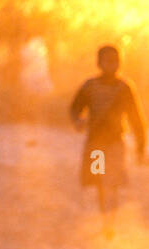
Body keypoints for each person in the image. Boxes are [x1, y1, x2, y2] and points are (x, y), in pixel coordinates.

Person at [69, 45, 146, 218]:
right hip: (96, 143)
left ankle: (110, 218)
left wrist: (140, 147)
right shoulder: (90, 86)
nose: (112, 64)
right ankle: (106, 216)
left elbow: (137, 120)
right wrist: (78, 121)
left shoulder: (125, 88)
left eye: (116, 60)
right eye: (108, 60)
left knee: (113, 181)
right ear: (99, 63)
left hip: (116, 143)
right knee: (99, 180)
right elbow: (75, 108)